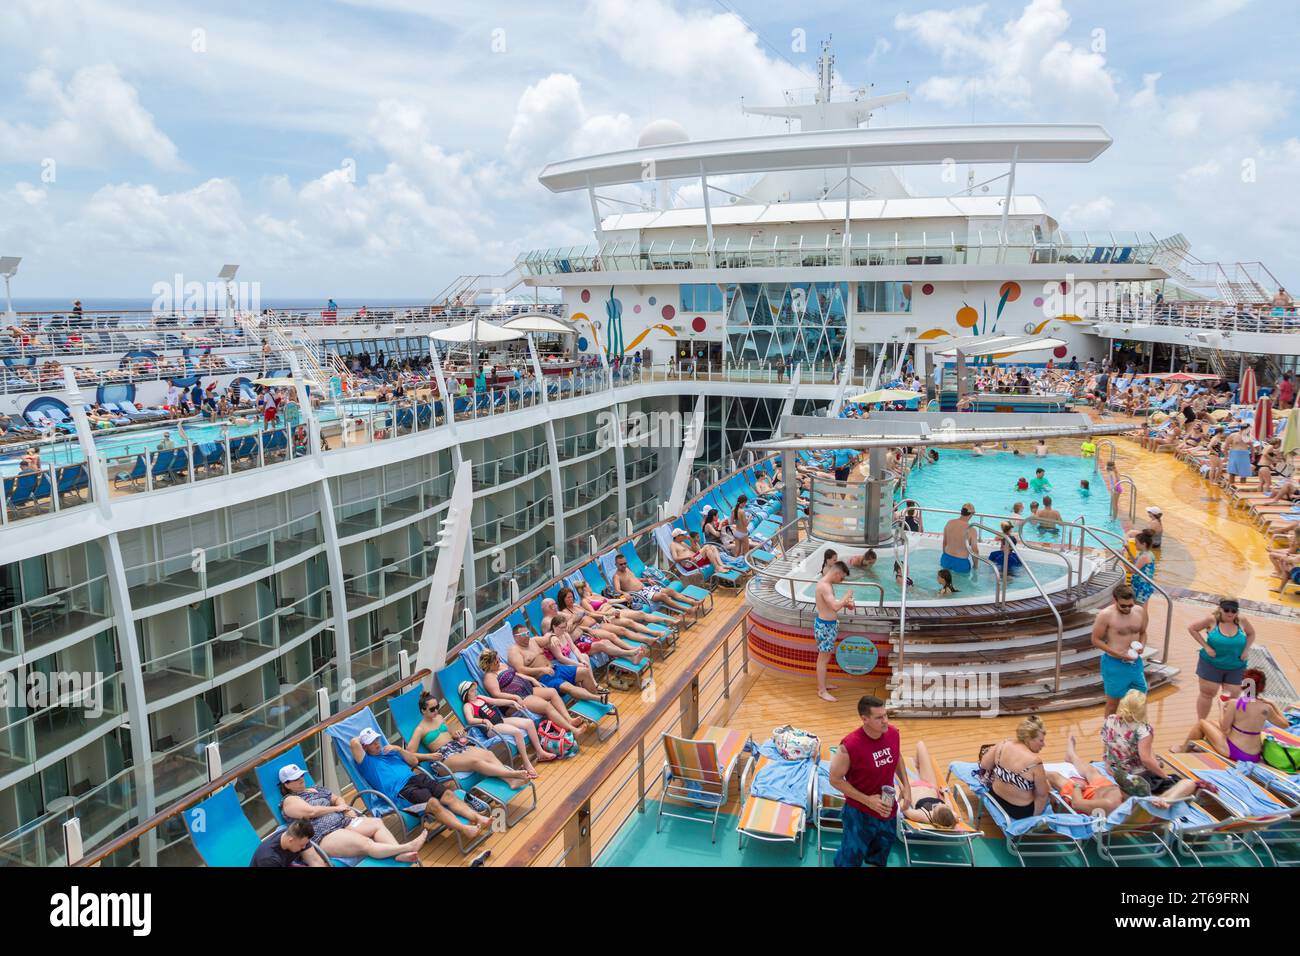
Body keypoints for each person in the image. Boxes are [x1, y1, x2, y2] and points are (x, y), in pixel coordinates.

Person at [278, 761, 428, 862]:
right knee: (366, 843)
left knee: (376, 823)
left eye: (301, 775)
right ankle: (405, 848)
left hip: (344, 821)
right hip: (325, 833)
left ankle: (400, 855)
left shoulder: (315, 789)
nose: (301, 779)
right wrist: (337, 809)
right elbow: (310, 812)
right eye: (295, 778)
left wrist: (346, 808)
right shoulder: (289, 800)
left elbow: (337, 798)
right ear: (287, 784)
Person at [830, 695, 907, 867]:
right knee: (849, 861)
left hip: (887, 811)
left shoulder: (893, 734)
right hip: (859, 814)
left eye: (886, 715)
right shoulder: (849, 746)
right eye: (879, 717)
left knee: (879, 858)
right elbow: (834, 779)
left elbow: (897, 756)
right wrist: (868, 801)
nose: (885, 721)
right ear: (864, 719)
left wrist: (907, 788)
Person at [401, 695, 532, 791]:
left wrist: (458, 735)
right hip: (442, 757)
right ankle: (511, 774)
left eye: (437, 707)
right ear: (423, 711)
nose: (436, 711)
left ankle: (511, 781)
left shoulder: (440, 718)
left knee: (488, 755)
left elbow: (451, 734)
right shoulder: (420, 729)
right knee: (475, 762)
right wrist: (429, 756)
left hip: (456, 746)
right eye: (432, 709)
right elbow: (409, 755)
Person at [1102, 691, 1202, 802]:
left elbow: (1106, 742)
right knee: (1183, 783)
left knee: (1145, 749)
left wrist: (1107, 763)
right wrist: (1164, 776)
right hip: (1136, 775)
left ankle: (1157, 765)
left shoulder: (1110, 719)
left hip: (1114, 769)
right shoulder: (1142, 730)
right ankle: (1162, 800)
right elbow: (1145, 759)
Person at [1178, 669, 1292, 762]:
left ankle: (1183, 751)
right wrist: (1273, 704)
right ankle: (1196, 748)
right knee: (1212, 724)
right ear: (1261, 687)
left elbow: (1224, 727)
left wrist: (1222, 707)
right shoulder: (1266, 708)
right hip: (1254, 755)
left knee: (1202, 723)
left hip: (1236, 752)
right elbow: (1285, 724)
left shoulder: (1235, 703)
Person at [479, 644, 585, 734]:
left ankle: (569, 720)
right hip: (517, 700)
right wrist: (515, 697)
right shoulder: (489, 677)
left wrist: (532, 680)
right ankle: (573, 730)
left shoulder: (501, 665)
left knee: (552, 692)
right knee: (546, 706)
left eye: (498, 659)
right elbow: (497, 694)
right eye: (495, 662)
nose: (498, 662)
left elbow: (516, 674)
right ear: (488, 665)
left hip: (527, 689)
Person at [457, 679, 553, 774]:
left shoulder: (480, 698)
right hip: (492, 728)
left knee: (529, 723)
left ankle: (540, 752)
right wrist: (483, 720)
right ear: (466, 694)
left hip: (501, 721)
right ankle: (527, 764)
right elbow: (470, 719)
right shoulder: (468, 706)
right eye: (472, 691)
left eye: (475, 689)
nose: (475, 692)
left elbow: (496, 701)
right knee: (517, 732)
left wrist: (511, 702)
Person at [1187, 599, 1255, 719]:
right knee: (1208, 693)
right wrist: (1206, 647)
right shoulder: (1212, 620)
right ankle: (1201, 723)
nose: (1230, 613)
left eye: (1233, 611)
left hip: (1236, 665)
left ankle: (1226, 724)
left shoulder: (1242, 621)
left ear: (1237, 612)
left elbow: (1251, 633)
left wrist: (1246, 650)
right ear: (1220, 609)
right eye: (1226, 610)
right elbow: (1192, 628)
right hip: (1211, 664)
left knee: (1232, 696)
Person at [1091, 585, 1149, 715]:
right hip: (1114, 664)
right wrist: (1118, 654)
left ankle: (1135, 731)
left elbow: (1143, 633)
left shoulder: (1140, 611)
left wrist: (1142, 645)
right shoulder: (1105, 615)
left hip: (1135, 664)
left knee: (1140, 701)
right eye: (1123, 606)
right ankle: (1108, 734)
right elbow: (1095, 640)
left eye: (1130, 605)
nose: (1127, 608)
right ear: (1115, 600)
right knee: (1112, 705)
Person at [978, 716, 1049, 820]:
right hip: (1018, 811)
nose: (1044, 744)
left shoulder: (1003, 744)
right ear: (1029, 738)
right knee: (1047, 788)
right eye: (1041, 740)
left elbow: (984, 764)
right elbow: (1042, 796)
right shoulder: (1034, 762)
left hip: (994, 797)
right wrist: (1034, 819)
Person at [814, 561, 856, 703]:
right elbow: (835, 606)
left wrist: (846, 602)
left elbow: (832, 604)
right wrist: (847, 595)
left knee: (825, 658)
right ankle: (821, 690)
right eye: (842, 577)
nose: (842, 580)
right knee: (823, 660)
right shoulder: (825, 586)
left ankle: (824, 685)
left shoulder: (826, 584)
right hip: (825, 626)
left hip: (828, 625)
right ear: (837, 573)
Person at [610, 551, 699, 614]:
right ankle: (686, 609)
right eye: (621, 564)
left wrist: (646, 580)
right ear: (616, 565)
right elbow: (617, 590)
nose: (624, 565)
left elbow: (634, 579)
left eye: (625, 563)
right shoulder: (616, 576)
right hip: (639, 595)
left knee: (670, 591)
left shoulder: (627, 569)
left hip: (646, 589)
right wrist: (624, 593)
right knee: (663, 596)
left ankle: (693, 602)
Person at [898, 741, 958, 828]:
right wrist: (945, 793)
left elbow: (905, 809)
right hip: (931, 785)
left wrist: (898, 792)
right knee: (921, 745)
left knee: (893, 759)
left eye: (936, 806)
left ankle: (916, 770)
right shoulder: (950, 816)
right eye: (942, 804)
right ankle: (917, 765)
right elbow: (950, 806)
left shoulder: (923, 816)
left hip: (912, 786)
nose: (940, 803)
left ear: (934, 816)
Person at [250, 817, 320, 867]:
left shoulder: (299, 835)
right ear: (291, 840)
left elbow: (315, 860)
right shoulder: (269, 859)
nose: (304, 847)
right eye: (302, 845)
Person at [940, 504, 978, 576]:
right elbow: (975, 551)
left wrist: (945, 556)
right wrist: (975, 566)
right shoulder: (972, 530)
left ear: (961, 512)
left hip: (946, 559)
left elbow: (944, 542)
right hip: (961, 563)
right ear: (972, 514)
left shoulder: (949, 522)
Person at [1129, 529, 1157, 606]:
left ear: (1143, 544)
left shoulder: (1144, 556)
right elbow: (1136, 562)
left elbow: (1133, 570)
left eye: (1136, 543)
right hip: (1145, 585)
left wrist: (1122, 559)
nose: (1134, 544)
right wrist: (1128, 551)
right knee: (1143, 609)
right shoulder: (1148, 553)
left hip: (1141, 586)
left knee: (1139, 609)